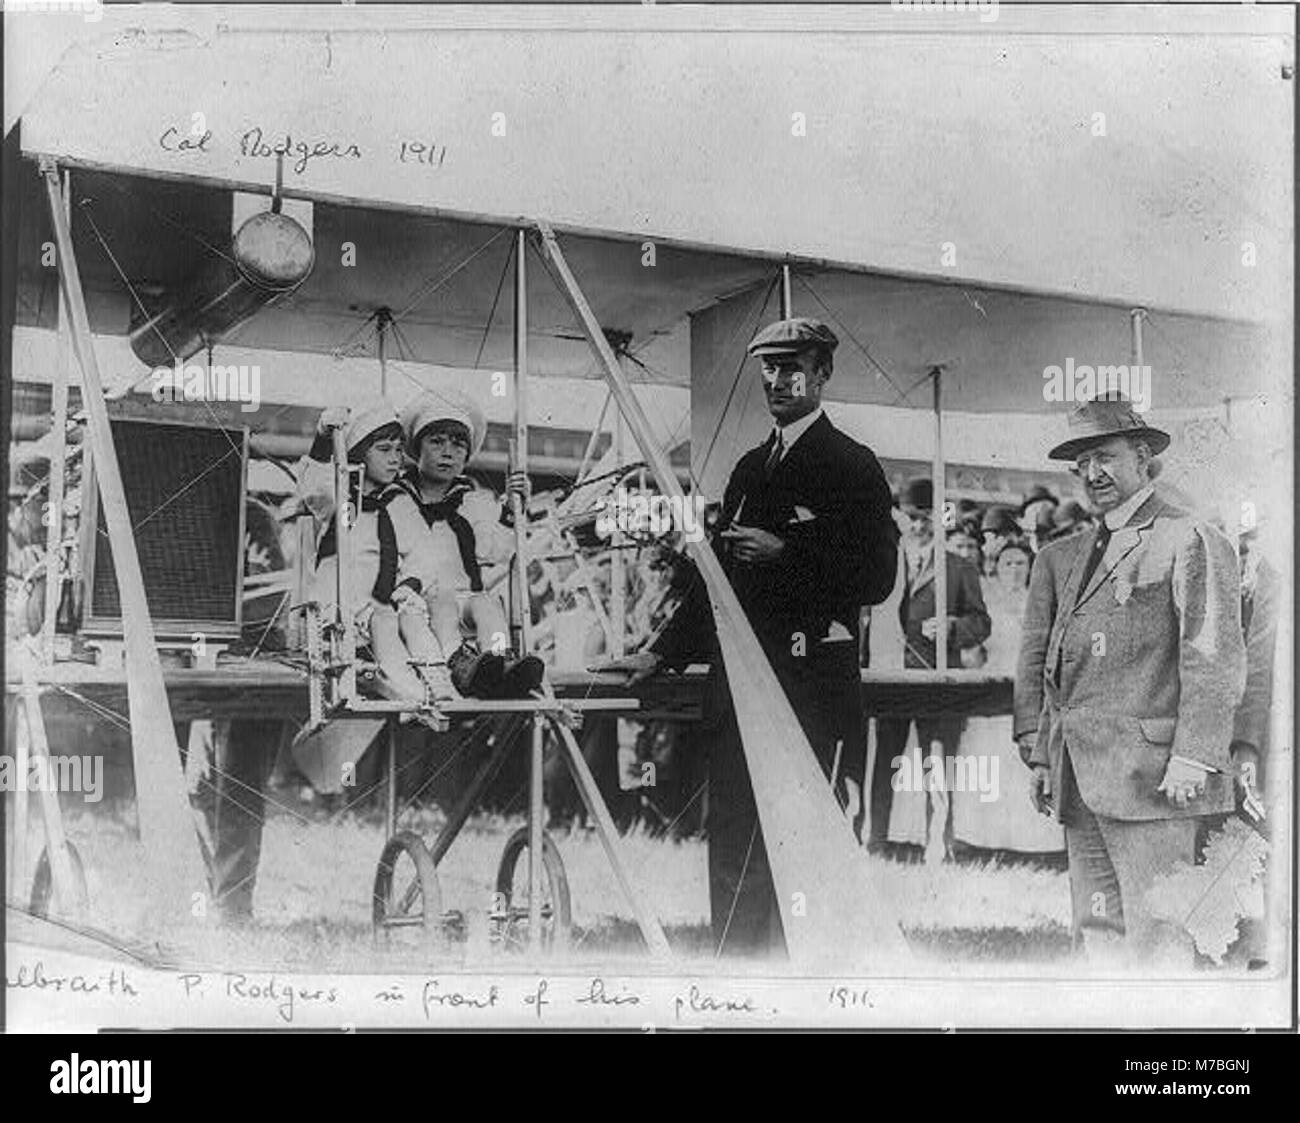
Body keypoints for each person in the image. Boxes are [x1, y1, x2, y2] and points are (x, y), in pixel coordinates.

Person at [638, 317, 898, 956]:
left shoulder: (852, 466)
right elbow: (716, 584)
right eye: (769, 370)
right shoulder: (750, 468)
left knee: (806, 844)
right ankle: (736, 990)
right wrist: (661, 651)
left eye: (794, 367)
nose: (779, 381)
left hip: (810, 692)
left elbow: (878, 576)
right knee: (733, 839)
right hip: (739, 694)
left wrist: (789, 551)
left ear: (823, 373)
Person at [1014, 393, 1246, 965]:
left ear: (1144, 459)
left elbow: (1212, 656)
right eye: (1081, 463)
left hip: (1155, 784)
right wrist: (1046, 755)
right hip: (1082, 779)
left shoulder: (1188, 537)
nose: (1092, 474)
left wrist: (1194, 755)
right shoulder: (1075, 551)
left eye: (1105, 457)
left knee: (1159, 938)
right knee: (1098, 937)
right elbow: (1056, 663)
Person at [868, 478, 991, 861]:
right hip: (890, 677)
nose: (919, 527)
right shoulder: (883, 562)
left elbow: (982, 623)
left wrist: (953, 627)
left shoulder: (958, 567)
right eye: (911, 518)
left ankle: (938, 844)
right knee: (885, 761)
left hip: (936, 677)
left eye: (925, 518)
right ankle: (875, 841)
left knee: (936, 763)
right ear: (901, 518)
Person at [301, 401, 448, 706]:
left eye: (398, 450)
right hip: (343, 610)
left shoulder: (398, 502)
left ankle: (438, 682)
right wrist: (323, 439)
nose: (395, 459)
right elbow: (315, 490)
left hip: (385, 607)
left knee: (412, 620)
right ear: (360, 453)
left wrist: (410, 585)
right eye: (384, 450)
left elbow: (425, 552)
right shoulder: (343, 497)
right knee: (384, 622)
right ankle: (410, 691)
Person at [398, 391, 544, 697]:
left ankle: (501, 662)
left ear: (466, 456)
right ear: (416, 449)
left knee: (486, 602)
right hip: (418, 604)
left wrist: (510, 513)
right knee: (443, 603)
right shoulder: (397, 500)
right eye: (436, 442)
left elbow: (496, 552)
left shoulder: (473, 503)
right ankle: (459, 664)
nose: (448, 452)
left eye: (458, 444)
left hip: (463, 596)